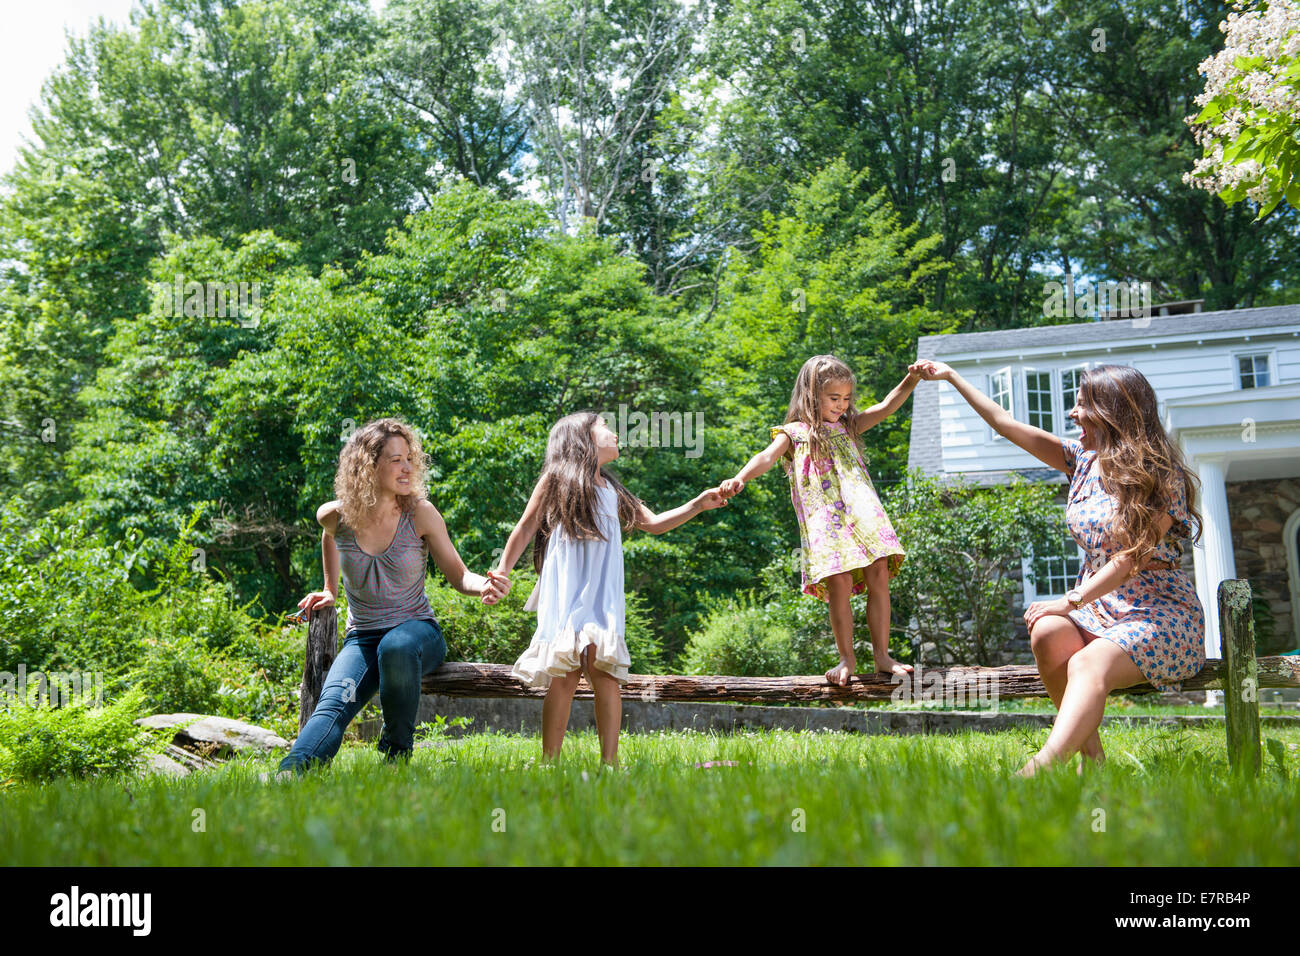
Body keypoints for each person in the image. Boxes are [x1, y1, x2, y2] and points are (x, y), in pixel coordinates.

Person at [913, 360, 1205, 776]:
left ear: (1112, 411)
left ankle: (1040, 769)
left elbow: (1129, 559)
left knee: (1086, 663)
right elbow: (1004, 424)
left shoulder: (1162, 476)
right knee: (1047, 633)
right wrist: (952, 376)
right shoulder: (1082, 461)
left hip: (1160, 614)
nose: (1072, 413)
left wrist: (1069, 601)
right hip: (1100, 610)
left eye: (1082, 404)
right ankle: (1094, 761)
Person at [494, 411, 727, 767]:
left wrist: (699, 503)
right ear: (582, 438)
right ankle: (548, 761)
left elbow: (654, 523)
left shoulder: (612, 487)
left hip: (602, 593)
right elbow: (526, 528)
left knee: (603, 671)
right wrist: (502, 571)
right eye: (604, 426)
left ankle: (610, 763)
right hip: (569, 589)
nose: (614, 432)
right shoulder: (557, 478)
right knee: (565, 672)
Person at [280, 418, 510, 775]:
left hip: (418, 633)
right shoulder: (337, 517)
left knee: (397, 646)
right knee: (332, 704)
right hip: (363, 639)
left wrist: (486, 584)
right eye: (395, 460)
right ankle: (291, 773)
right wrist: (330, 588)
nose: (407, 467)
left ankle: (395, 756)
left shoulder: (420, 514)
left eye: (409, 459)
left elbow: (459, 574)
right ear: (369, 466)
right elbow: (329, 536)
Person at [720, 354, 918, 685]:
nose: (842, 405)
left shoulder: (848, 425)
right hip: (825, 517)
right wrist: (739, 478)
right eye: (834, 398)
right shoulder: (794, 433)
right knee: (838, 581)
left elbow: (885, 407)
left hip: (862, 508)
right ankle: (847, 659)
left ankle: (882, 656)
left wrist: (910, 379)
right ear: (812, 395)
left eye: (846, 398)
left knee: (879, 571)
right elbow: (766, 456)